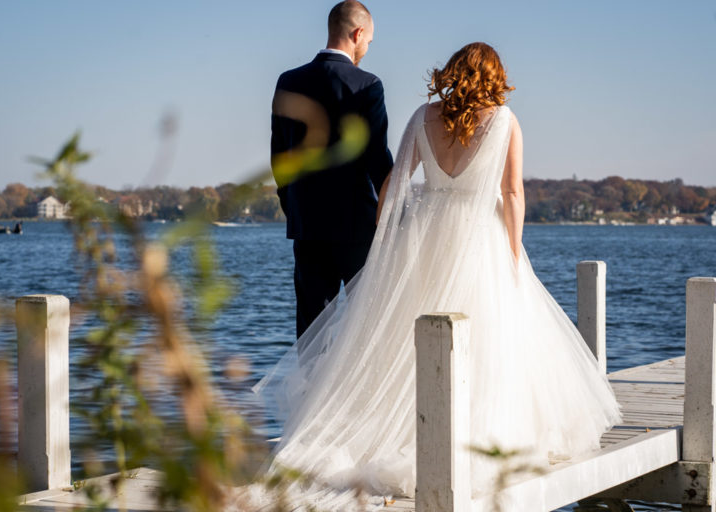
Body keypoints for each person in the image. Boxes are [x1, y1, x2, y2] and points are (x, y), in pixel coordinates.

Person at [254, 42, 623, 508]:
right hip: (480, 235)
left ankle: (395, 427)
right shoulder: (505, 121)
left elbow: (393, 185)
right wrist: (513, 253)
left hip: (425, 235)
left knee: (401, 340)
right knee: (490, 337)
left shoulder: (422, 118)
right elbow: (512, 193)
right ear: (494, 77)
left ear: (452, 72)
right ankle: (476, 435)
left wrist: (387, 244)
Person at [271, 0, 393, 339]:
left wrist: (294, 209)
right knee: (367, 330)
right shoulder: (367, 85)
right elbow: (377, 159)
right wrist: (392, 213)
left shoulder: (288, 82)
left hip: (307, 227)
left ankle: (311, 379)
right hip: (357, 227)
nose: (367, 48)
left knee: (313, 333)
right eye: (369, 41)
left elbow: (280, 159)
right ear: (358, 33)